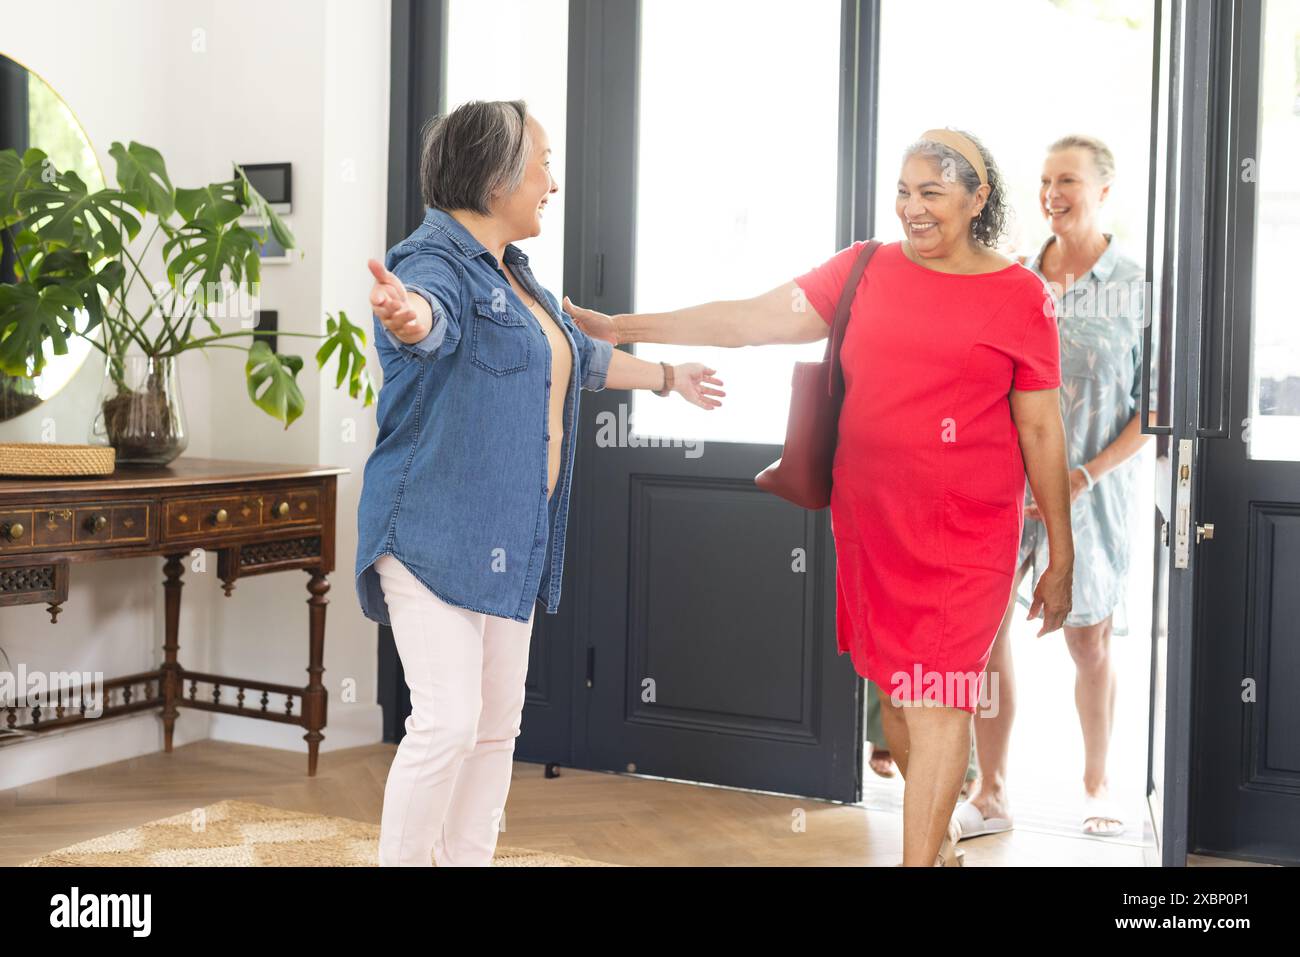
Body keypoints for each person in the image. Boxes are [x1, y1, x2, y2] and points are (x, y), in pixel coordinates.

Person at [567, 128, 1074, 866]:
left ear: (977, 198)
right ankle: (934, 846)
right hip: (871, 525)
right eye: (903, 191)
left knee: (938, 696)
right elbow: (749, 320)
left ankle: (916, 859)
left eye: (931, 192)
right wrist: (623, 328)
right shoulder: (865, 267)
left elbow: (1042, 429)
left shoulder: (1021, 296)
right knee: (898, 696)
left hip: (968, 536)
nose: (913, 209)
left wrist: (1061, 552)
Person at [355, 99, 724, 867]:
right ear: (496, 177)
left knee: (495, 725)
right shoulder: (433, 263)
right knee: (449, 721)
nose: (552, 180)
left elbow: (582, 359)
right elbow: (433, 318)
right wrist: (409, 317)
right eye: (543, 162)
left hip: (507, 536)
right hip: (428, 532)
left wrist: (666, 376)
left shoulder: (517, 277)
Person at [954, 134, 1148, 842]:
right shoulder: (1013, 279)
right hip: (1004, 489)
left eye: (1067, 179)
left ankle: (1098, 781)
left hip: (1091, 496)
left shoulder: (1134, 286)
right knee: (987, 634)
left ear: (1104, 189)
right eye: (1043, 181)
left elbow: (1152, 409)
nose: (1051, 193)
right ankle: (991, 786)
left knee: (1089, 640)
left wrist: (1084, 472)